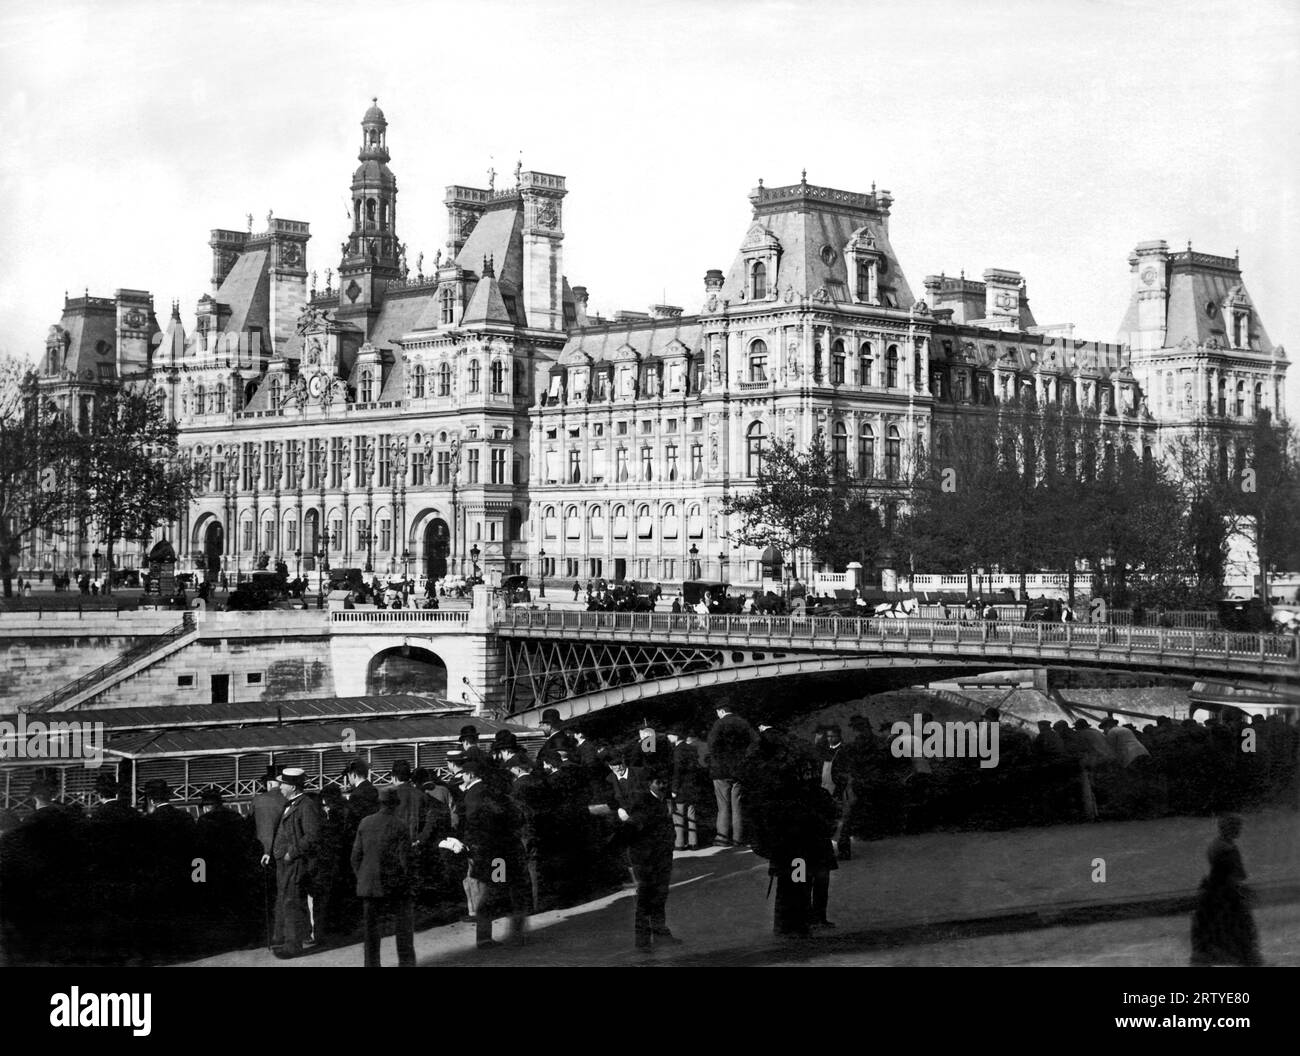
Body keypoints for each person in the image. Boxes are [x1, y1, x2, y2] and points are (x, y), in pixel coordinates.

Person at [441, 757, 528, 949]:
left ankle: (490, 935)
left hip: (491, 854)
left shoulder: (480, 797)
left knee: (493, 891)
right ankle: (507, 935)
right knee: (500, 891)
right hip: (499, 855)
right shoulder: (498, 800)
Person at [351, 785, 415, 967]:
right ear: (395, 804)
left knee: (371, 932)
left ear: (379, 803)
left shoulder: (365, 822)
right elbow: (405, 860)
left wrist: (362, 876)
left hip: (369, 885)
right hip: (394, 885)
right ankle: (406, 964)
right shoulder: (400, 825)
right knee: (403, 930)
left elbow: (355, 857)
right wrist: (407, 881)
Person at [617, 769, 680, 953]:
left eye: (664, 781)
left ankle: (661, 935)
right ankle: (643, 941)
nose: (662, 785)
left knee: (660, 896)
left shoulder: (665, 800)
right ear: (649, 784)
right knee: (645, 898)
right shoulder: (642, 802)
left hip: (662, 856)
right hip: (645, 858)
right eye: (658, 782)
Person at [1190, 815, 1263, 966]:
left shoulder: (1215, 845)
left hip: (1212, 893)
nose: (1239, 830)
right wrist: (1240, 890)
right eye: (1237, 827)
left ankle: (1206, 958)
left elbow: (1220, 872)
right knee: (1240, 929)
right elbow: (1238, 874)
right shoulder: (1229, 849)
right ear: (1230, 828)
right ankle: (1246, 959)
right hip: (1227, 894)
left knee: (1209, 931)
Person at [270, 767, 322, 959]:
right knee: (288, 901)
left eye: (283, 784)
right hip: (287, 864)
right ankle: (289, 941)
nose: (280, 787)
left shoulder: (306, 805)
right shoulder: (294, 803)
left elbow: (312, 835)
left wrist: (291, 853)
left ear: (292, 787)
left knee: (292, 902)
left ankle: (293, 947)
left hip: (296, 863)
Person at [707, 701, 757, 846]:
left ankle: (722, 838)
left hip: (721, 771)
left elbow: (711, 744)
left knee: (723, 806)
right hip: (739, 769)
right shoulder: (743, 723)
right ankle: (738, 838)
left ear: (721, 711)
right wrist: (744, 757)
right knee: (737, 805)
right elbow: (756, 741)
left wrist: (718, 759)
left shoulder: (718, 724)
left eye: (717, 712)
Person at [666, 726, 706, 851]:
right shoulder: (691, 748)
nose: (668, 737)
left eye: (670, 735)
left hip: (681, 788)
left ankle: (679, 843)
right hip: (692, 787)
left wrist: (674, 789)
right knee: (691, 815)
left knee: (678, 816)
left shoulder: (677, 751)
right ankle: (693, 842)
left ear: (676, 736)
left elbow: (677, 772)